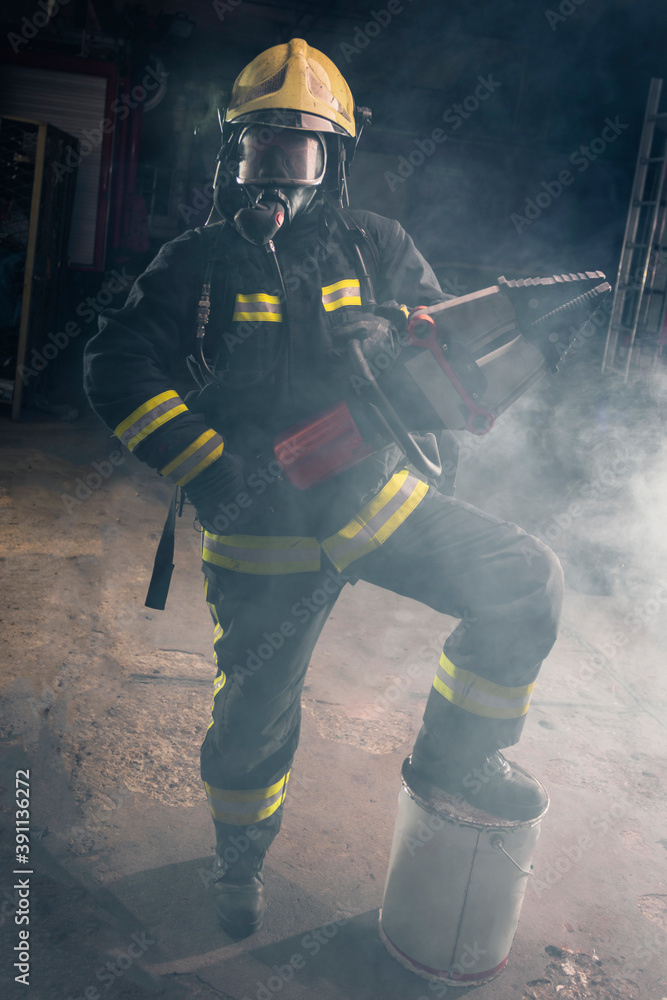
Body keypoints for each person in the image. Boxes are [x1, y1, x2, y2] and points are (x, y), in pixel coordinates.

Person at [83, 38, 563, 939]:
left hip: (375, 505)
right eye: (258, 152)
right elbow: (113, 366)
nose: (275, 178)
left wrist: (414, 334)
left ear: (332, 162)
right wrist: (212, 466)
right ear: (231, 158)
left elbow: (440, 354)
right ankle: (239, 857)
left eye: (296, 154)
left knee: (526, 578)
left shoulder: (377, 244)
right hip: (260, 531)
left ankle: (457, 760)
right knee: (254, 716)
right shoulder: (194, 262)